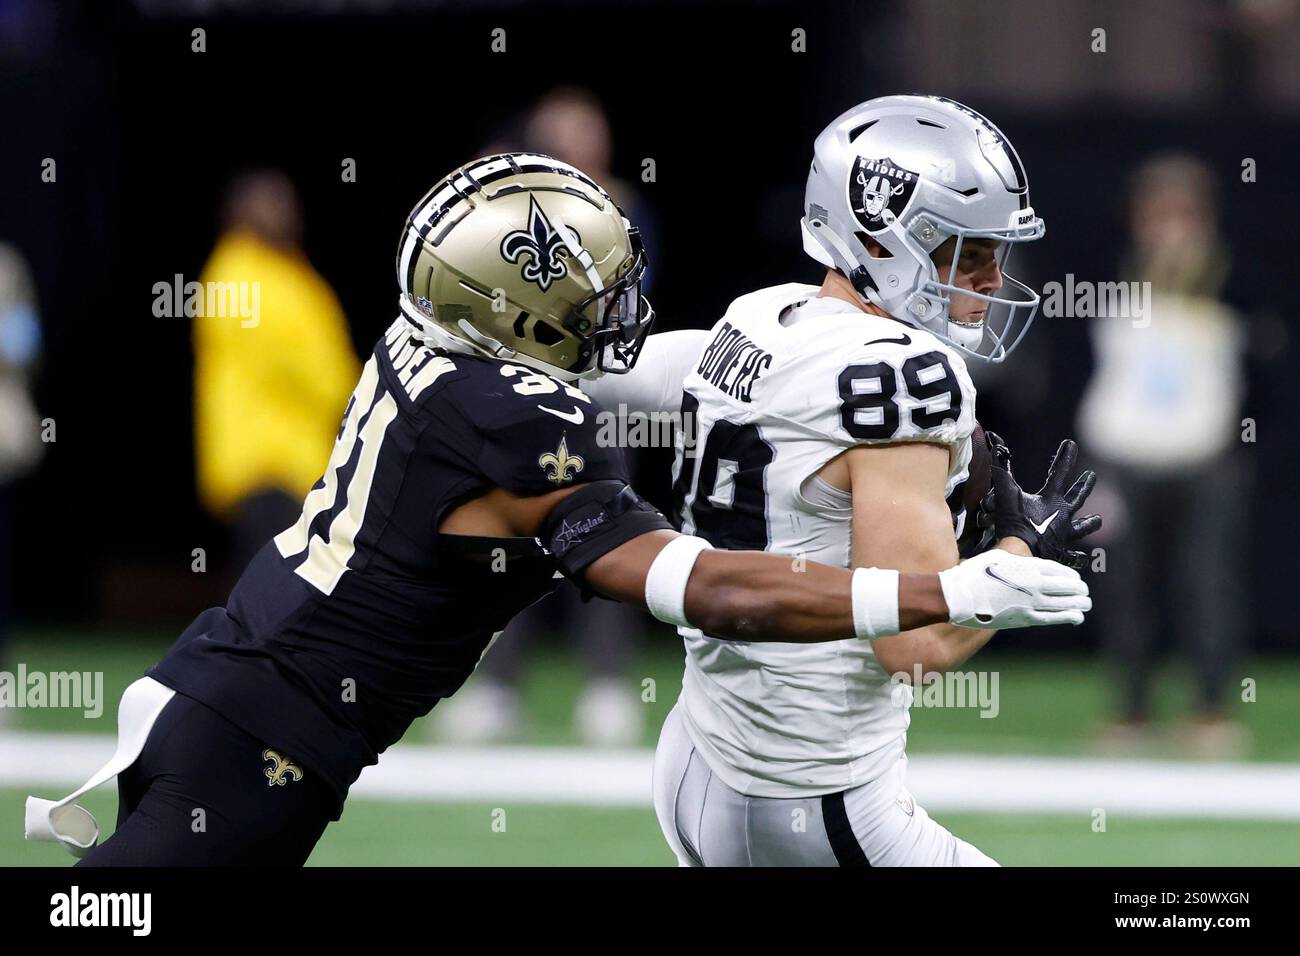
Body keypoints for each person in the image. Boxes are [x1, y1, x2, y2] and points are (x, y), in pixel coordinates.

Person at [25, 152, 1089, 866]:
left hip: (218, 689)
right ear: (513, 310)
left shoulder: (434, 347)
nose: (614, 307)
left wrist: (790, 356)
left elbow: (681, 370)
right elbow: (705, 590)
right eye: (587, 295)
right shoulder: (511, 426)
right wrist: (954, 586)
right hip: (258, 753)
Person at [586, 95, 1102, 866]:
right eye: (969, 253)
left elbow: (627, 371)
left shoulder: (760, 317)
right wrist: (1025, 549)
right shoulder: (907, 376)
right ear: (880, 236)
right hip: (813, 793)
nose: (993, 280)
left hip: (697, 753)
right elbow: (916, 643)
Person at [1077, 154, 1250, 757]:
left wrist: (1194, 277)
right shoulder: (1110, 272)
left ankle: (1210, 708)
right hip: (1125, 456)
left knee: (1206, 583)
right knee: (1126, 585)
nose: (1170, 226)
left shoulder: (1236, 276)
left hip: (1206, 459)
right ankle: (1130, 708)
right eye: (1159, 214)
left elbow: (1257, 360)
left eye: (1183, 214)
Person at [194, 170, 360, 578]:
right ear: (240, 211)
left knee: (283, 578)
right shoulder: (235, 273)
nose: (284, 212)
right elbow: (288, 359)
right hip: (265, 457)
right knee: (271, 580)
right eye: (271, 202)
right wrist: (353, 396)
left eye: (286, 202)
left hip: (298, 454)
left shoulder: (287, 274)